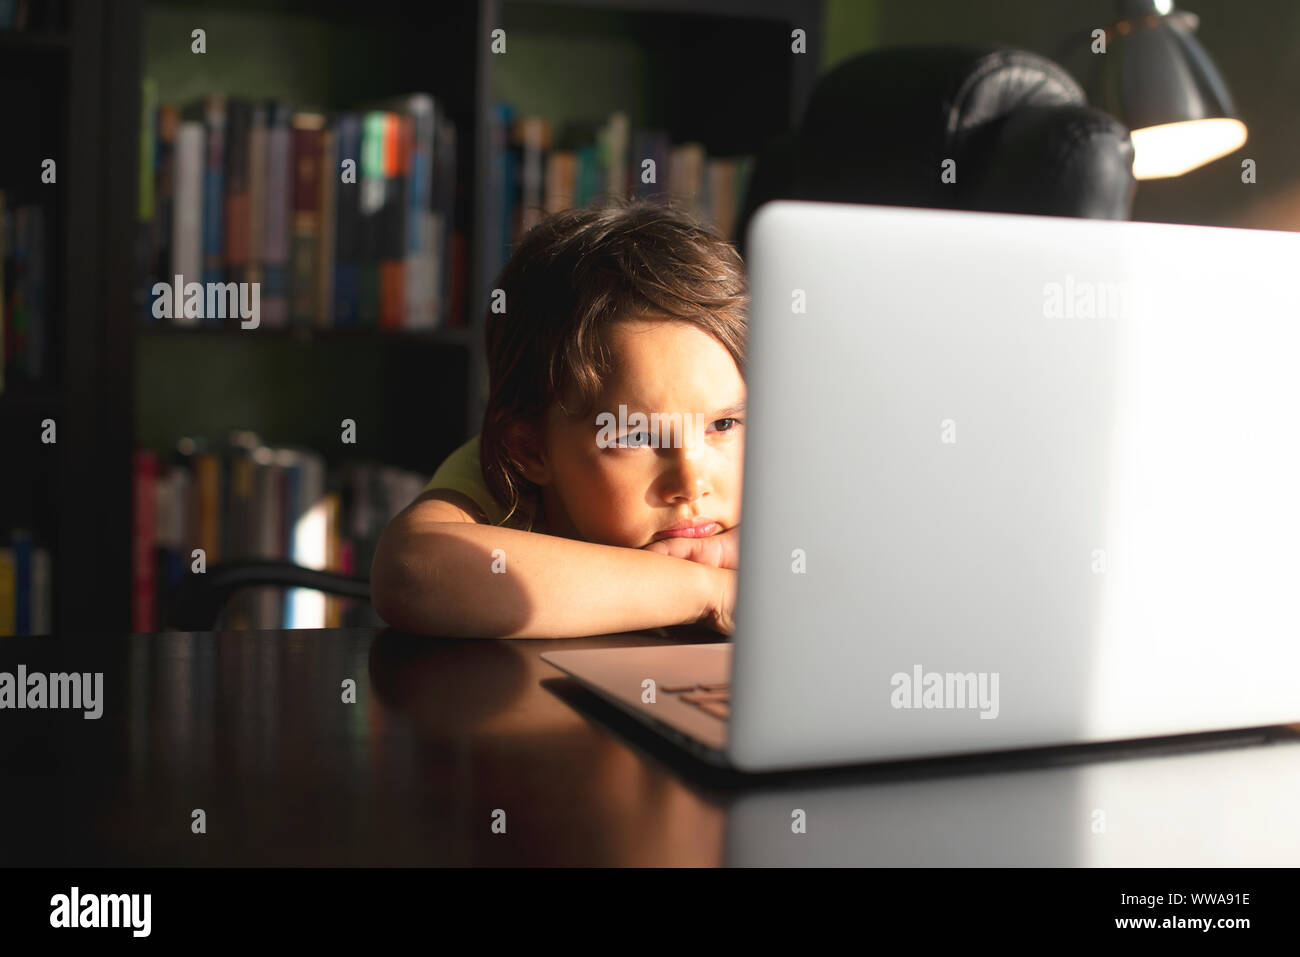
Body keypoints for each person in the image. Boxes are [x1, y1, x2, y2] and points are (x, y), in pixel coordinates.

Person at [370, 199, 747, 638]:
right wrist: (710, 590)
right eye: (638, 435)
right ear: (531, 448)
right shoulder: (500, 476)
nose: (691, 481)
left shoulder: (763, 467)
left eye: (722, 425)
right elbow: (412, 571)